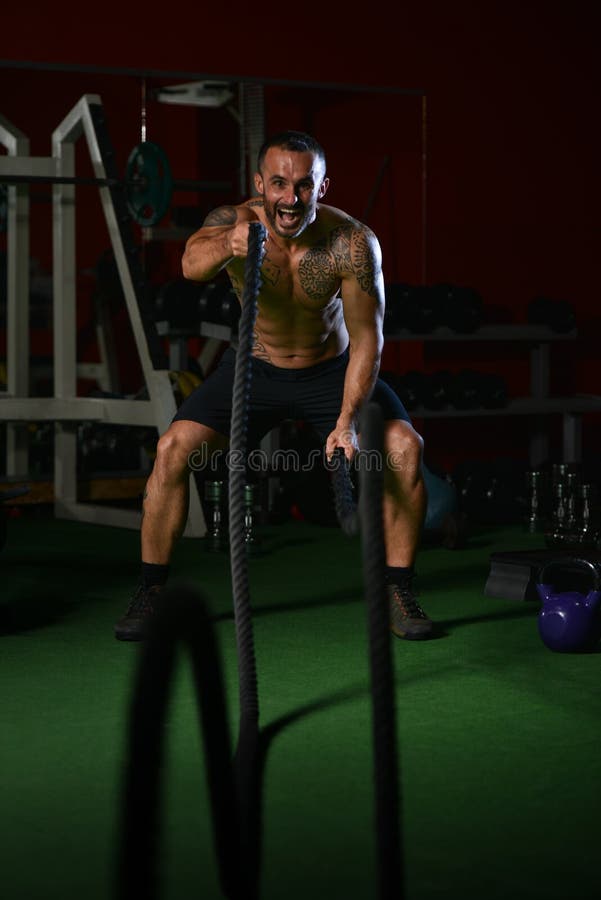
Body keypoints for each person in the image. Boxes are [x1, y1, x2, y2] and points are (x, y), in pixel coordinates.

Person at [114, 130, 432, 642]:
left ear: (322, 187)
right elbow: (190, 266)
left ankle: (399, 590)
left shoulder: (352, 243)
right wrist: (229, 244)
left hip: (331, 370)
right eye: (278, 184)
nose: (289, 198)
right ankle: (151, 590)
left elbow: (369, 342)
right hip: (253, 369)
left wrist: (347, 423)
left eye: (303, 186)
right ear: (260, 183)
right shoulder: (235, 222)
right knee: (172, 450)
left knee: (405, 449)